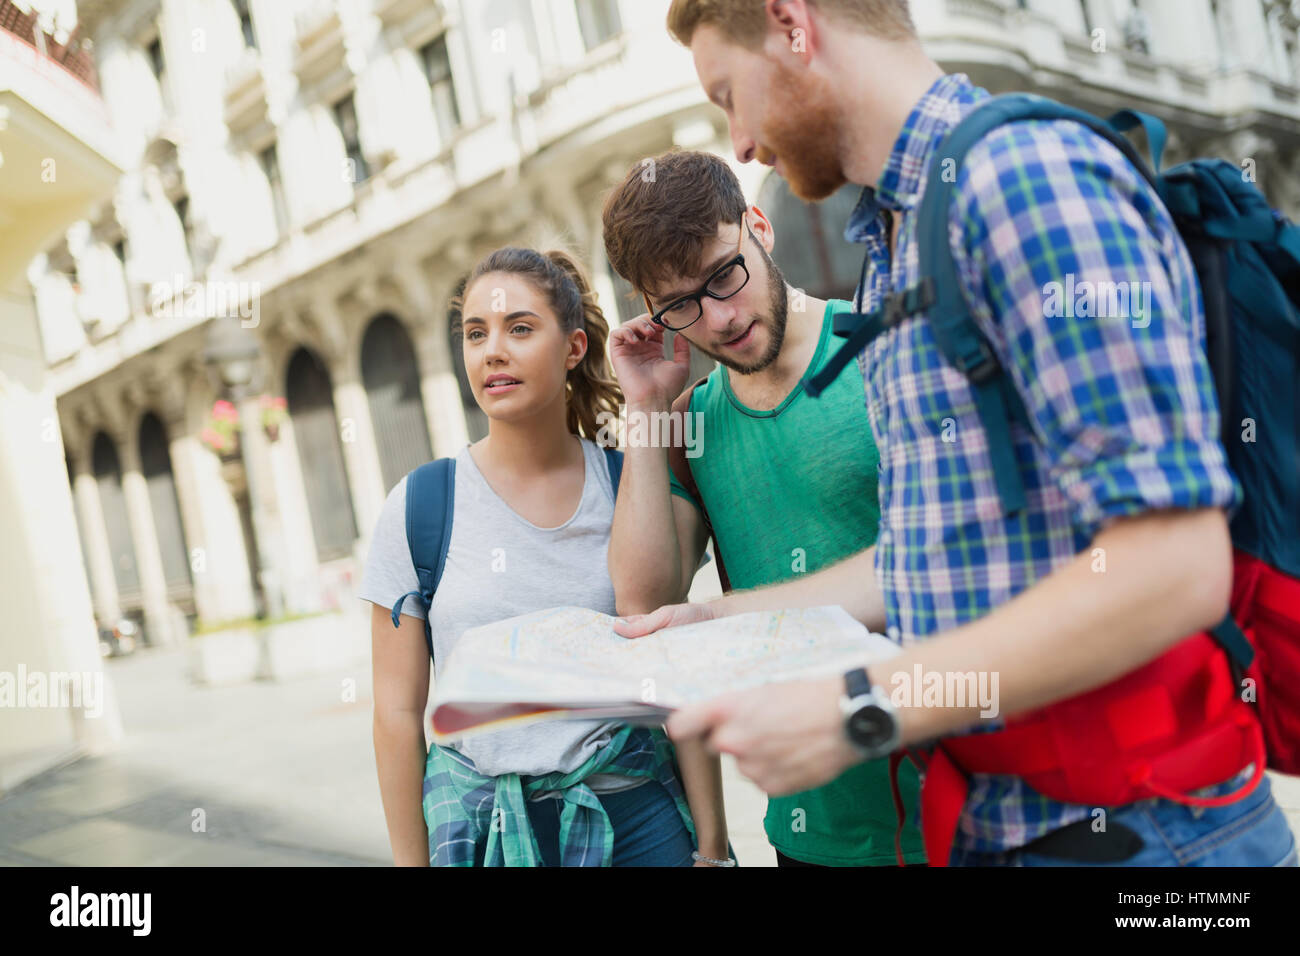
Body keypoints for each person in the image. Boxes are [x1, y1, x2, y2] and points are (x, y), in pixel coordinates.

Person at [614, 0, 1298, 866]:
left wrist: (866, 707)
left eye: (728, 93)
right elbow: (917, 561)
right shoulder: (899, 242)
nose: (739, 141)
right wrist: (709, 621)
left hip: (1150, 832)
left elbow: (1173, 566)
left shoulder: (1019, 180)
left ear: (793, 24)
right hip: (1011, 822)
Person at [601, 148, 925, 866]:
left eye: (724, 275)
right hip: (810, 835)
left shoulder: (884, 351)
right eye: (680, 304)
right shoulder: (689, 426)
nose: (716, 318)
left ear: (759, 226)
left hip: (955, 817)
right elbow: (643, 601)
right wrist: (647, 408)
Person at [362, 246, 729, 866]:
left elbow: (676, 669)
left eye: (520, 329)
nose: (492, 351)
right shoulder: (421, 505)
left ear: (575, 348)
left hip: (639, 822)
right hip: (486, 836)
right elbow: (396, 712)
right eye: (475, 334)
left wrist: (713, 847)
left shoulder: (630, 485)